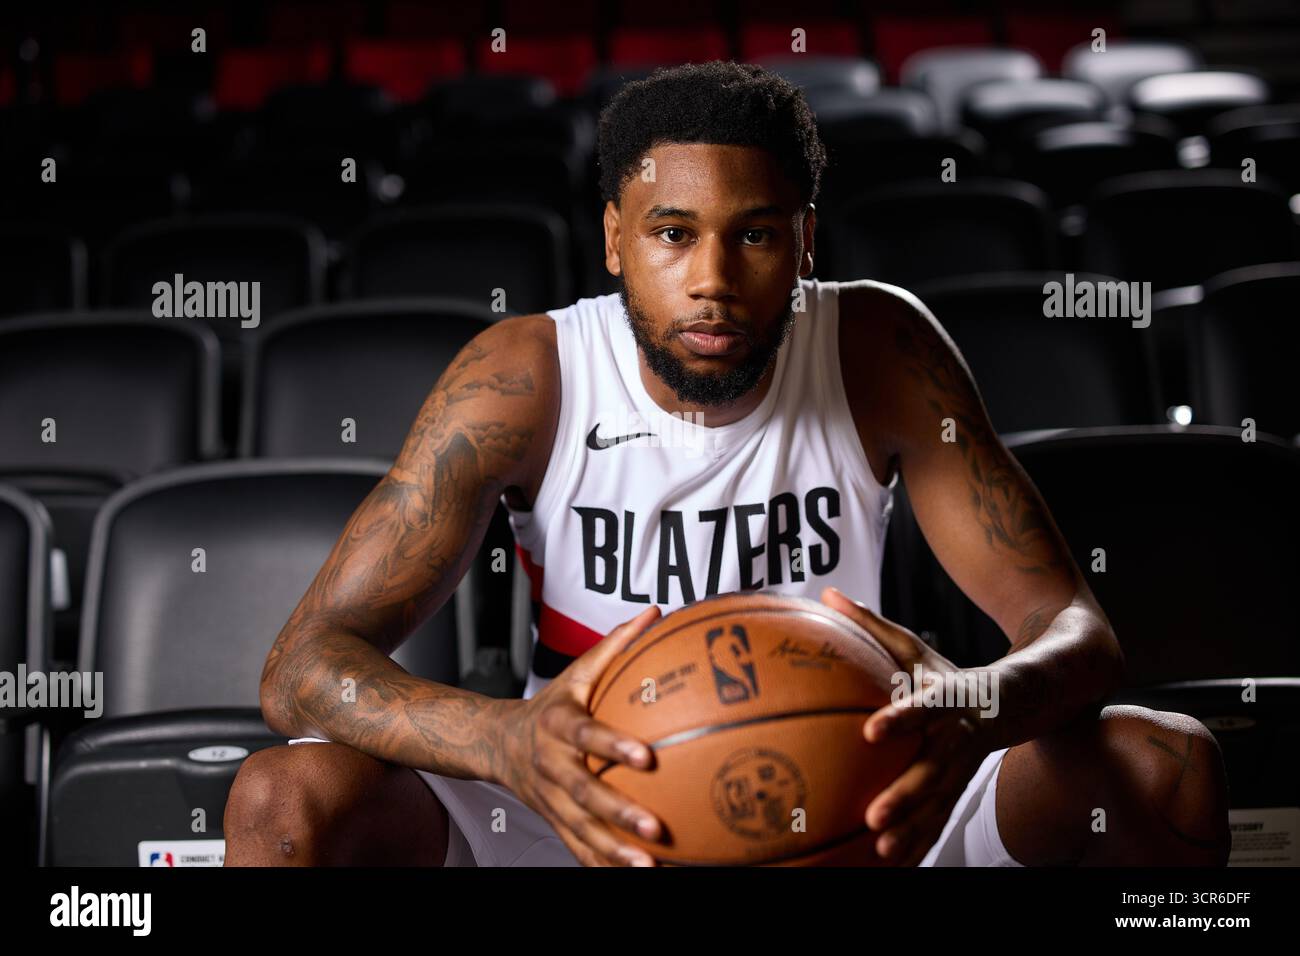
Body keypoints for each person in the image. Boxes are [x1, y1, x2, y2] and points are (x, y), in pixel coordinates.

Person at [224, 61, 1229, 867]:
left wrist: (972, 705)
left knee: (1164, 764)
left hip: (857, 788)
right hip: (581, 802)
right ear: (615, 240)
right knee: (284, 797)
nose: (711, 280)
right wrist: (504, 740)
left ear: (803, 243)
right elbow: (301, 667)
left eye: (753, 234)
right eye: (673, 234)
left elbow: (1076, 634)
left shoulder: (877, 348)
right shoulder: (526, 375)